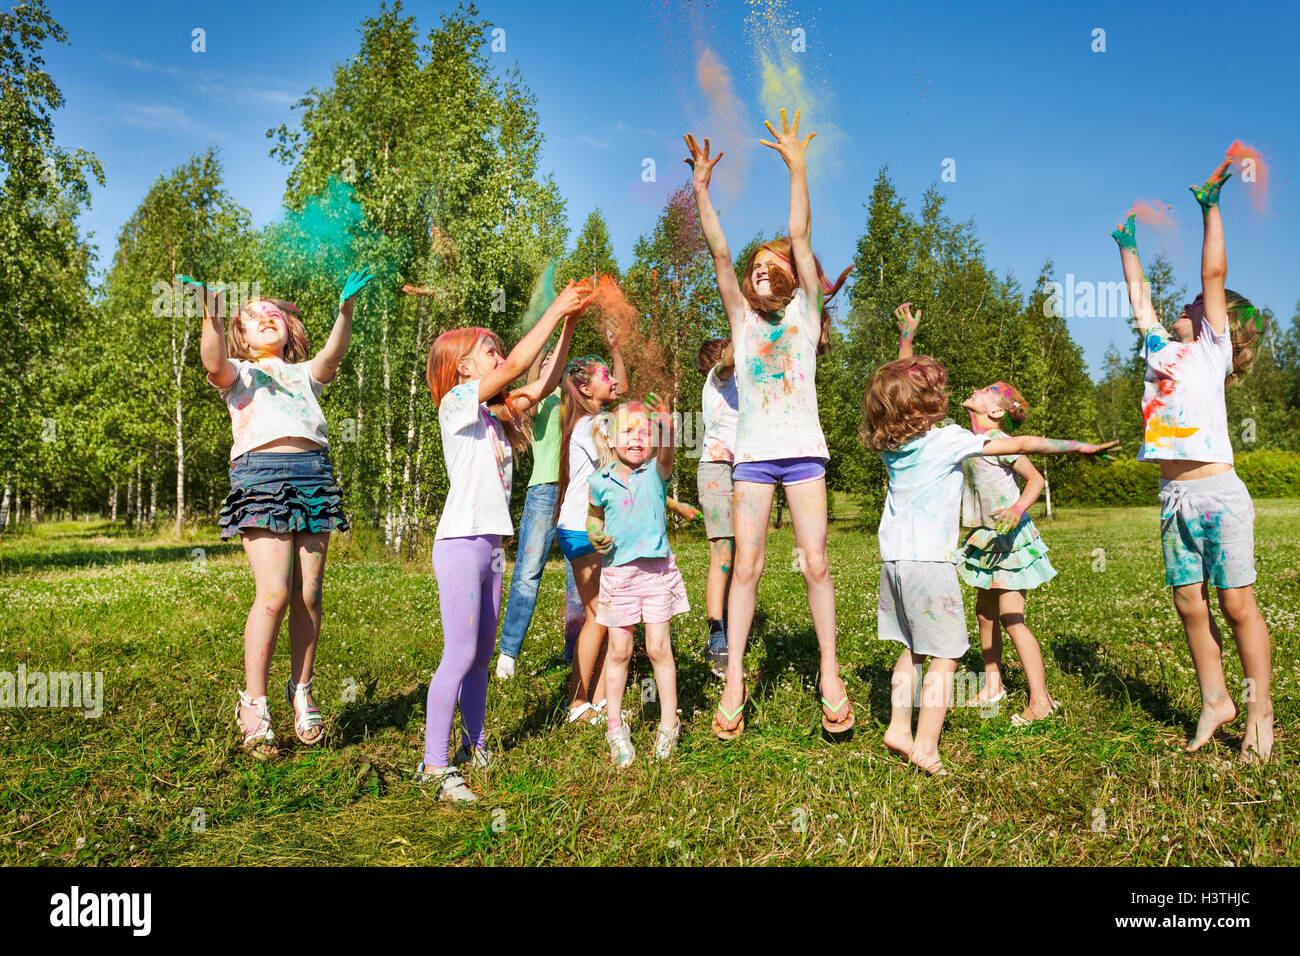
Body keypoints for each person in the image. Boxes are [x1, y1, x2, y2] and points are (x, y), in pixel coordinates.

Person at [1112, 158, 1273, 762]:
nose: (1185, 305)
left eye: (1197, 303)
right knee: (1188, 603)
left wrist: (1211, 209)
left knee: (1236, 606)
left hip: (1217, 495)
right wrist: (1127, 247)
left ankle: (1259, 711)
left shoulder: (1212, 352)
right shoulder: (1159, 347)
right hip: (1173, 497)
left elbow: (1214, 270)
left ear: (1218, 323)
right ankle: (1216, 701)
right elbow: (1138, 296)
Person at [194, 269, 373, 753]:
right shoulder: (240, 373)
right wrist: (212, 313)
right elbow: (212, 360)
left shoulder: (302, 373)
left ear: (287, 330)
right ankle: (254, 702)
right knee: (273, 593)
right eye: (252, 317)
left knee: (309, 595)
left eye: (272, 312)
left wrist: (345, 309)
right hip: (261, 478)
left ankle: (302, 688)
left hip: (313, 477)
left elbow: (333, 355)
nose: (266, 316)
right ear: (243, 339)